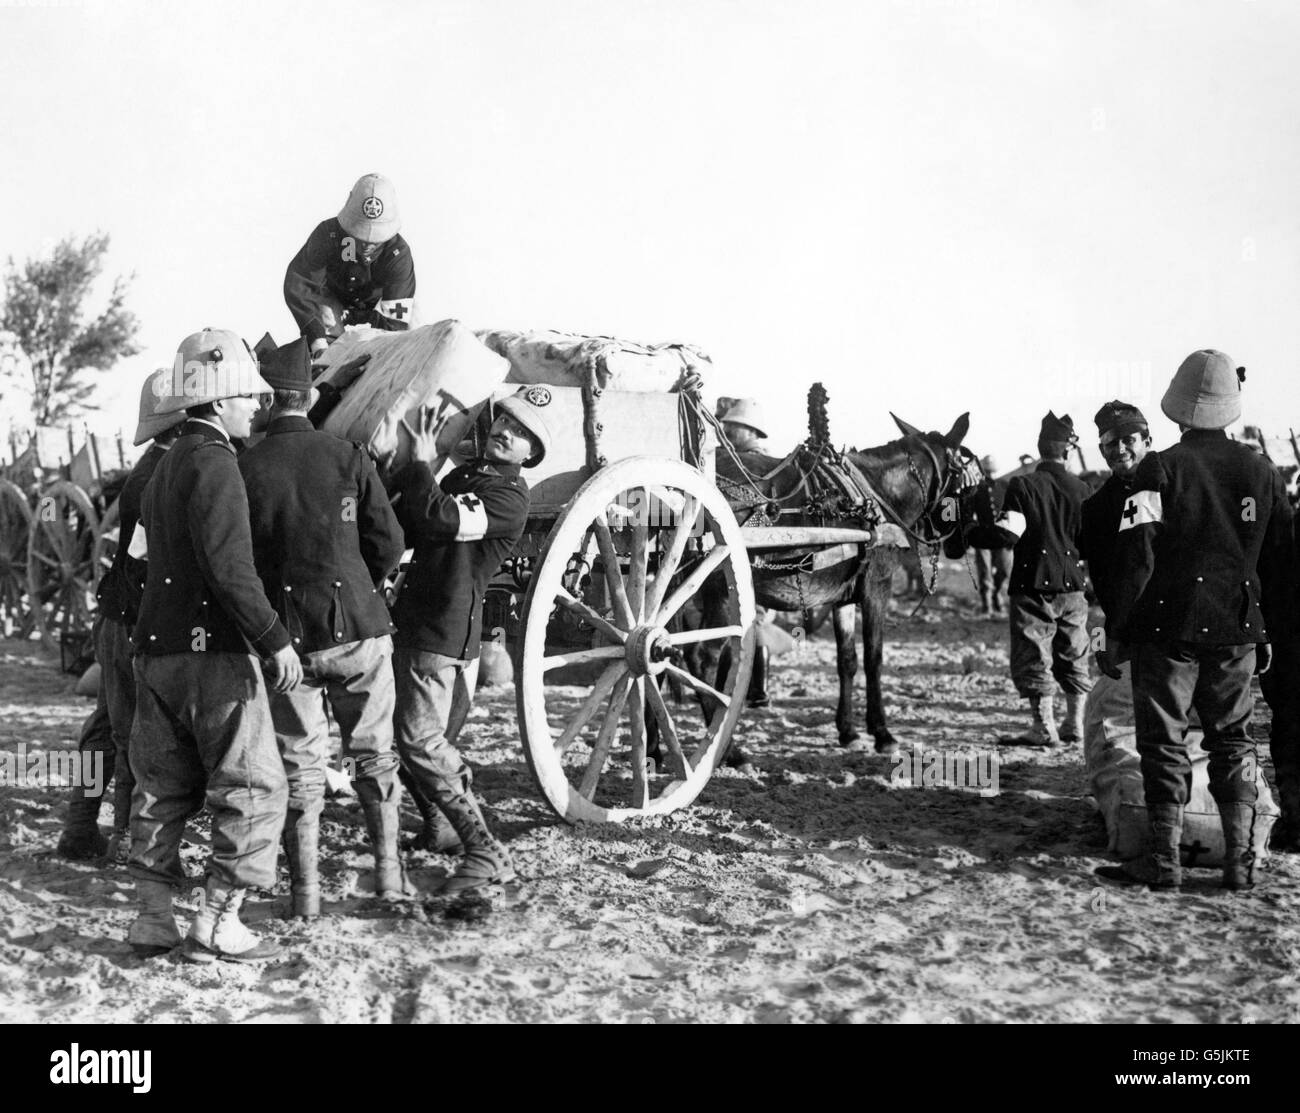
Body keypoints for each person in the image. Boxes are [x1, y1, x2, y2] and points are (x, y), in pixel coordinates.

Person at [126, 329, 302, 963]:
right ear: (221, 401)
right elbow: (230, 567)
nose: (256, 407)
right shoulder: (217, 462)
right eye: (248, 397)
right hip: (213, 655)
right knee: (255, 788)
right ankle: (217, 921)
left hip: (155, 649)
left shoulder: (163, 465)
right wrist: (274, 639)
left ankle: (152, 918)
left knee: (161, 786)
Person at [1100, 350, 1293, 891]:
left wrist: (1118, 630)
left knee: (1162, 740)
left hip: (1167, 628)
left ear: (1178, 407)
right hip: (1238, 628)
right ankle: (1241, 863)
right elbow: (1280, 565)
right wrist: (1267, 629)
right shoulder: (1264, 472)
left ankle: (1162, 862)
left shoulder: (1157, 469)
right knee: (1234, 741)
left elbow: (1137, 555)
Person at [238, 338, 407, 917]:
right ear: (310, 396)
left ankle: (305, 895)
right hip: (358, 629)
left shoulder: (243, 466)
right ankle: (388, 881)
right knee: (374, 756)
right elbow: (389, 545)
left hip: (287, 643)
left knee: (301, 769)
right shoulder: (348, 456)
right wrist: (363, 584)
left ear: (265, 401)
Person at [387, 386, 551, 892]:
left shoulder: (510, 497)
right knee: (405, 735)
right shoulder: (462, 476)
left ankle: (483, 847)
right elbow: (411, 525)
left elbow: (442, 517)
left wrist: (418, 465)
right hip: (415, 619)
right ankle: (440, 829)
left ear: (530, 454)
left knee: (420, 738)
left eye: (521, 433)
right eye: (503, 423)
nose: (506, 432)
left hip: (444, 627)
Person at [56, 370, 186, 863]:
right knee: (134, 732)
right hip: (136, 619)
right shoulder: (166, 473)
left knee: (106, 724)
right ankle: (128, 841)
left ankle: (80, 826)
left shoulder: (146, 467)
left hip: (114, 614)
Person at [992, 411, 1093, 745]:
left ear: (1039, 447)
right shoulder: (1083, 490)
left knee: (1034, 652)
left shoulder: (1022, 485)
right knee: (1075, 652)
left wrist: (971, 534)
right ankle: (1074, 723)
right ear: (1066, 451)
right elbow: (1087, 544)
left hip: (1032, 583)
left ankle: (1043, 726)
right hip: (1074, 587)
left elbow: (1008, 536)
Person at [284, 173, 416, 362]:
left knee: (413, 326)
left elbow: (395, 320)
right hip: (332, 300)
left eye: (376, 240)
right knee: (326, 354)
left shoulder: (399, 254)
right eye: (360, 236)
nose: (368, 243)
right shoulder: (327, 235)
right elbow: (301, 285)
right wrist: (317, 340)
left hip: (378, 305)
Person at [1079, 400, 1154, 645]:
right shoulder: (1096, 508)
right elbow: (1104, 587)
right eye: (1111, 443)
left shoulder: (1176, 486)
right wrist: (1104, 639)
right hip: (1134, 630)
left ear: (1147, 442)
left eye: (1129, 440)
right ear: (1102, 451)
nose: (1120, 449)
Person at [965, 454, 1013, 617]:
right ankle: (987, 605)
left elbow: (1012, 511)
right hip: (983, 536)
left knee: (1005, 570)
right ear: (984, 471)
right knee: (985, 572)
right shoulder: (976, 488)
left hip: (1002, 536)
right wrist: (972, 532)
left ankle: (996, 593)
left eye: (993, 471)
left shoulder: (1005, 486)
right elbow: (969, 513)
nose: (991, 474)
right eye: (988, 471)